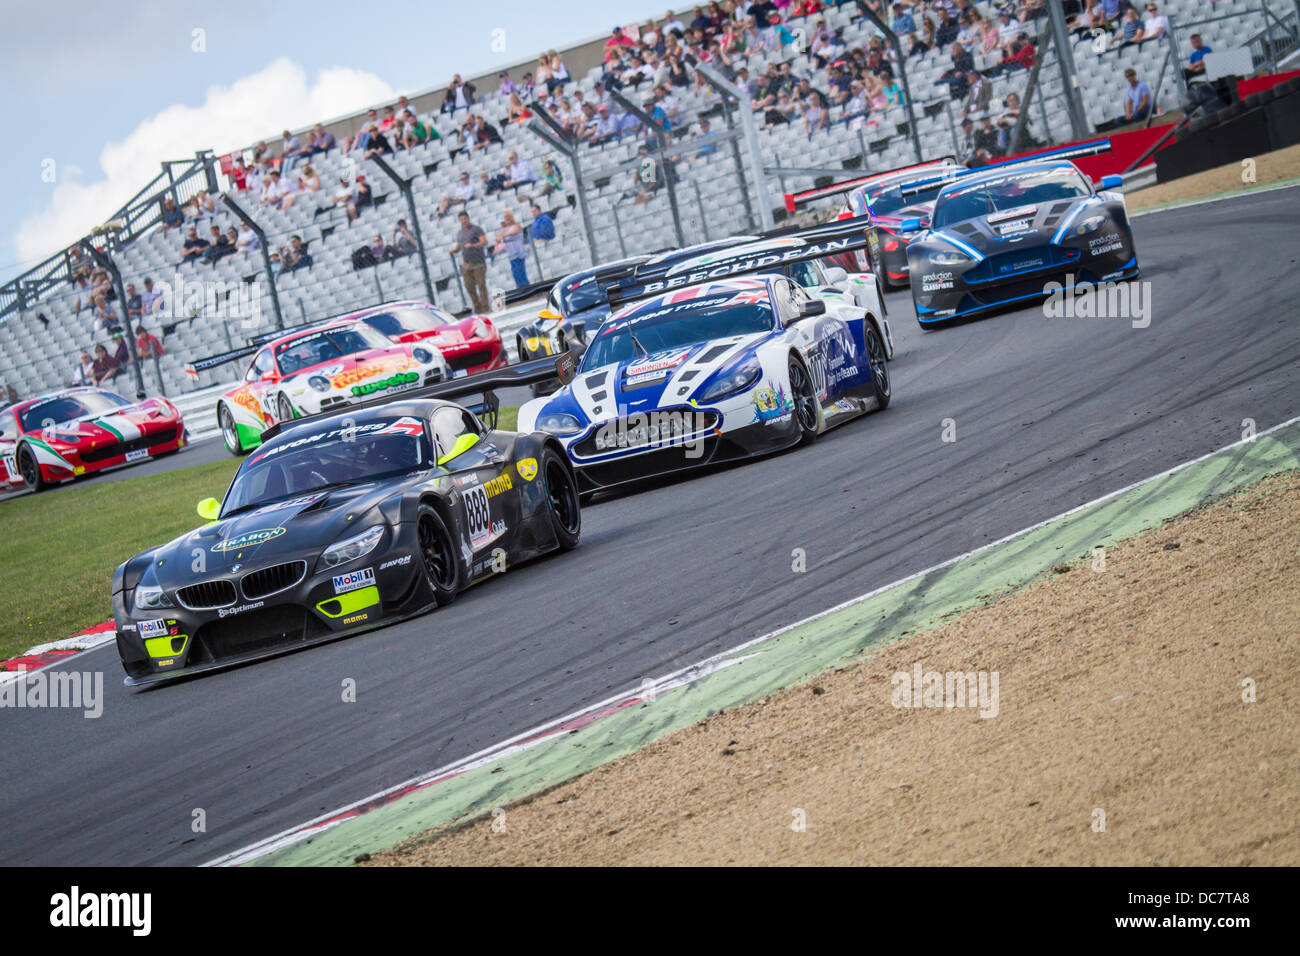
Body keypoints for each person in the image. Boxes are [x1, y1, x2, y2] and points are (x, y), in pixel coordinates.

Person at [450, 211, 490, 313]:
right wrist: (454, 250)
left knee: (481, 285)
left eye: (465, 218)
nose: (463, 221)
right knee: (469, 286)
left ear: (468, 218)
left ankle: (485, 307)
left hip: (478, 261)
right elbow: (459, 245)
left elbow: (484, 241)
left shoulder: (476, 229)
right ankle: (477, 306)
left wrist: (473, 245)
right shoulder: (460, 233)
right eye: (461, 219)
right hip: (467, 263)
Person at [497, 211, 530, 289]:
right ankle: (521, 290)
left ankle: (526, 289)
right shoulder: (505, 229)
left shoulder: (516, 226)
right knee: (516, 274)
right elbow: (497, 238)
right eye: (505, 218)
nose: (507, 219)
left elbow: (514, 232)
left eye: (508, 217)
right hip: (512, 254)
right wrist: (503, 235)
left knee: (521, 273)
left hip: (518, 252)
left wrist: (504, 235)